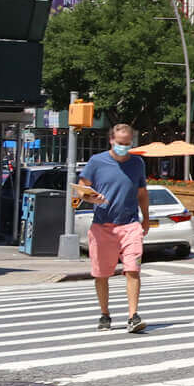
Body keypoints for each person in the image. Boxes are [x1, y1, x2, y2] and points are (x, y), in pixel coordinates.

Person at [75, 123, 150, 333]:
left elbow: (142, 193)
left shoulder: (137, 163)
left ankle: (133, 316)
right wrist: (90, 197)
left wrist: (146, 218)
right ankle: (105, 314)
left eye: (127, 144)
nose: (124, 147)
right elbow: (81, 189)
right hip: (102, 226)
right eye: (120, 143)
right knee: (101, 274)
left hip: (130, 225)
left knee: (133, 269)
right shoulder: (97, 161)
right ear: (111, 140)